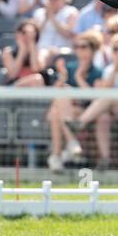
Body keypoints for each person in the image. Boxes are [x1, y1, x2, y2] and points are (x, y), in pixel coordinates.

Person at [67, 34, 118, 168]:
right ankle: (105, 159)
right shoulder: (109, 69)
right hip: (110, 110)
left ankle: (80, 123)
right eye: (116, 49)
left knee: (110, 96)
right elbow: (103, 91)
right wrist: (115, 70)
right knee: (103, 118)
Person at [45, 31, 103, 168]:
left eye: (84, 47)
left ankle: (56, 156)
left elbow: (93, 99)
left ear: (92, 50)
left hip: (86, 113)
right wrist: (63, 77)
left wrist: (78, 77)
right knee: (58, 104)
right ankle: (71, 143)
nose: (79, 51)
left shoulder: (98, 71)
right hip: (68, 111)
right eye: (77, 47)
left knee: (55, 113)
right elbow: (54, 94)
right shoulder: (69, 68)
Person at [2, 19, 45, 87]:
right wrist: (22, 50)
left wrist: (32, 47)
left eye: (32, 33)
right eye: (24, 32)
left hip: (33, 85)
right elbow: (12, 74)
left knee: (37, 79)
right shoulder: (9, 52)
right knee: (36, 80)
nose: (27, 36)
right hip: (15, 85)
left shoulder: (40, 52)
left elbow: (35, 69)